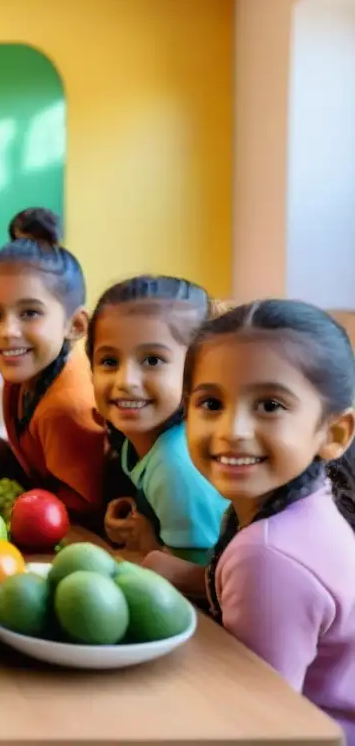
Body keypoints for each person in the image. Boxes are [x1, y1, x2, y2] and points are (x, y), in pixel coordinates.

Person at [147, 300, 355, 741]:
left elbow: (258, 726)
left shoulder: (268, 554)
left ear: (333, 433)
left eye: (270, 405)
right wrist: (193, 578)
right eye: (210, 402)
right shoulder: (302, 507)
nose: (233, 430)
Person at [87, 276, 228, 563]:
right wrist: (140, 520)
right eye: (109, 361)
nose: (126, 381)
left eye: (152, 360)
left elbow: (197, 580)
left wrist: (148, 547)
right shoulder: (135, 442)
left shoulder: (176, 463)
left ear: (199, 371)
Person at [0, 235, 105, 524]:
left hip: (85, 525)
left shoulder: (67, 407)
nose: (8, 331)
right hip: (45, 495)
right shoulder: (25, 373)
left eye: (30, 313)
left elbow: (84, 508)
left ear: (75, 325)